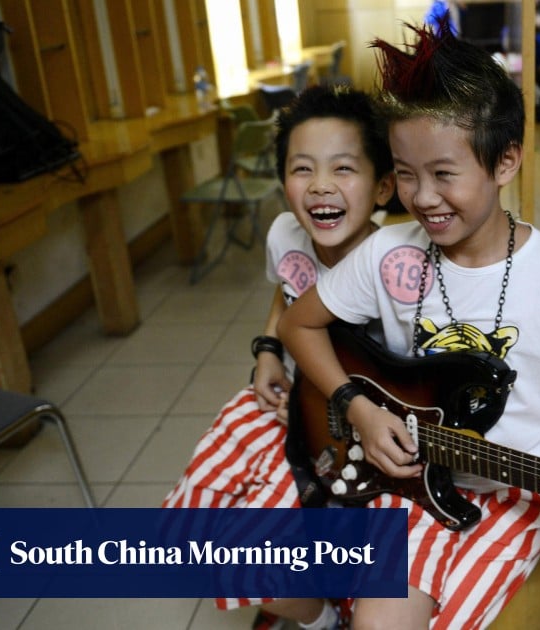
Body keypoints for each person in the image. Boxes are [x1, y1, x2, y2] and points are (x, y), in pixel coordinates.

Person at [278, 22, 540, 629]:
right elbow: (299, 325)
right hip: (412, 482)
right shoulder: (390, 255)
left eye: (444, 174)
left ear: (506, 159)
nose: (422, 197)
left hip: (519, 491)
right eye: (405, 174)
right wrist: (356, 406)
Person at [162, 84, 397, 630]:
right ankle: (317, 619)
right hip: (286, 406)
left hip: (357, 433)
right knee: (189, 536)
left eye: (343, 169)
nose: (320, 186)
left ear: (383, 185)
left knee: (280, 551)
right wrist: (269, 348)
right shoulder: (284, 233)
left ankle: (323, 606)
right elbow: (287, 291)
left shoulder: (394, 265)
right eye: (302, 169)